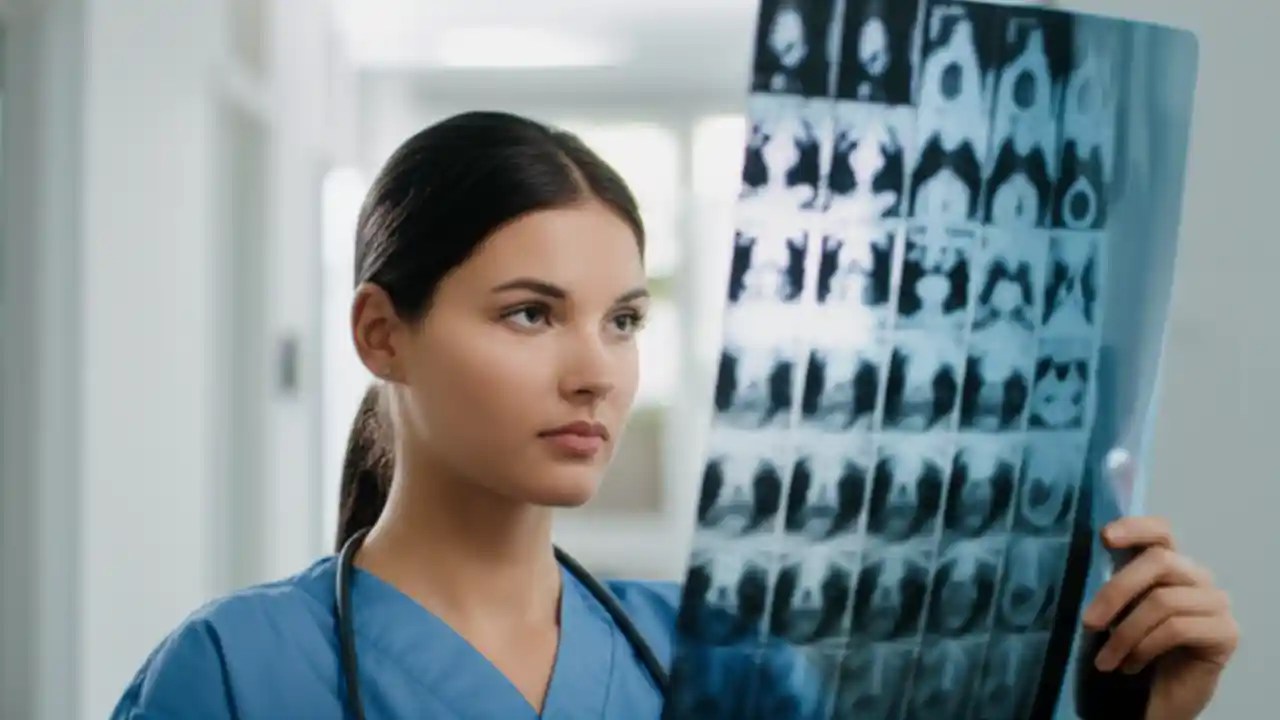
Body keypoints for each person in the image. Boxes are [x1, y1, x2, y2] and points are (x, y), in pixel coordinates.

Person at [111, 110, 1238, 719]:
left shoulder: (716, 661)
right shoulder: (228, 672)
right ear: (380, 333)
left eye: (623, 319)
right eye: (528, 314)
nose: (597, 372)